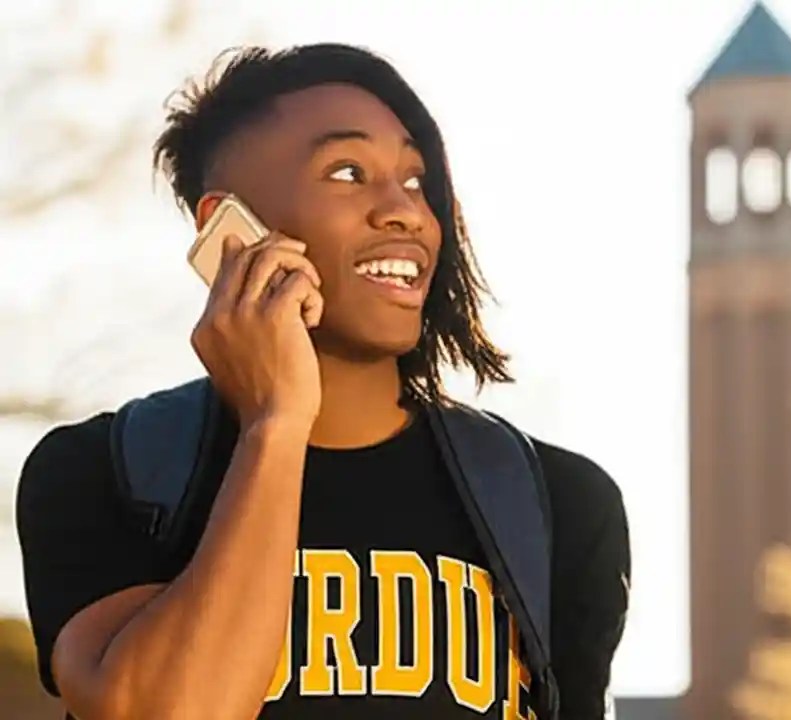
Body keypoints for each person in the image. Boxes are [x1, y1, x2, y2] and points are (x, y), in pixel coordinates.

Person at [15, 43, 630, 720]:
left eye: (416, 180)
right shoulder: (105, 473)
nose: (405, 213)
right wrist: (275, 425)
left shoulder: (558, 505)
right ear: (229, 227)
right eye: (347, 172)